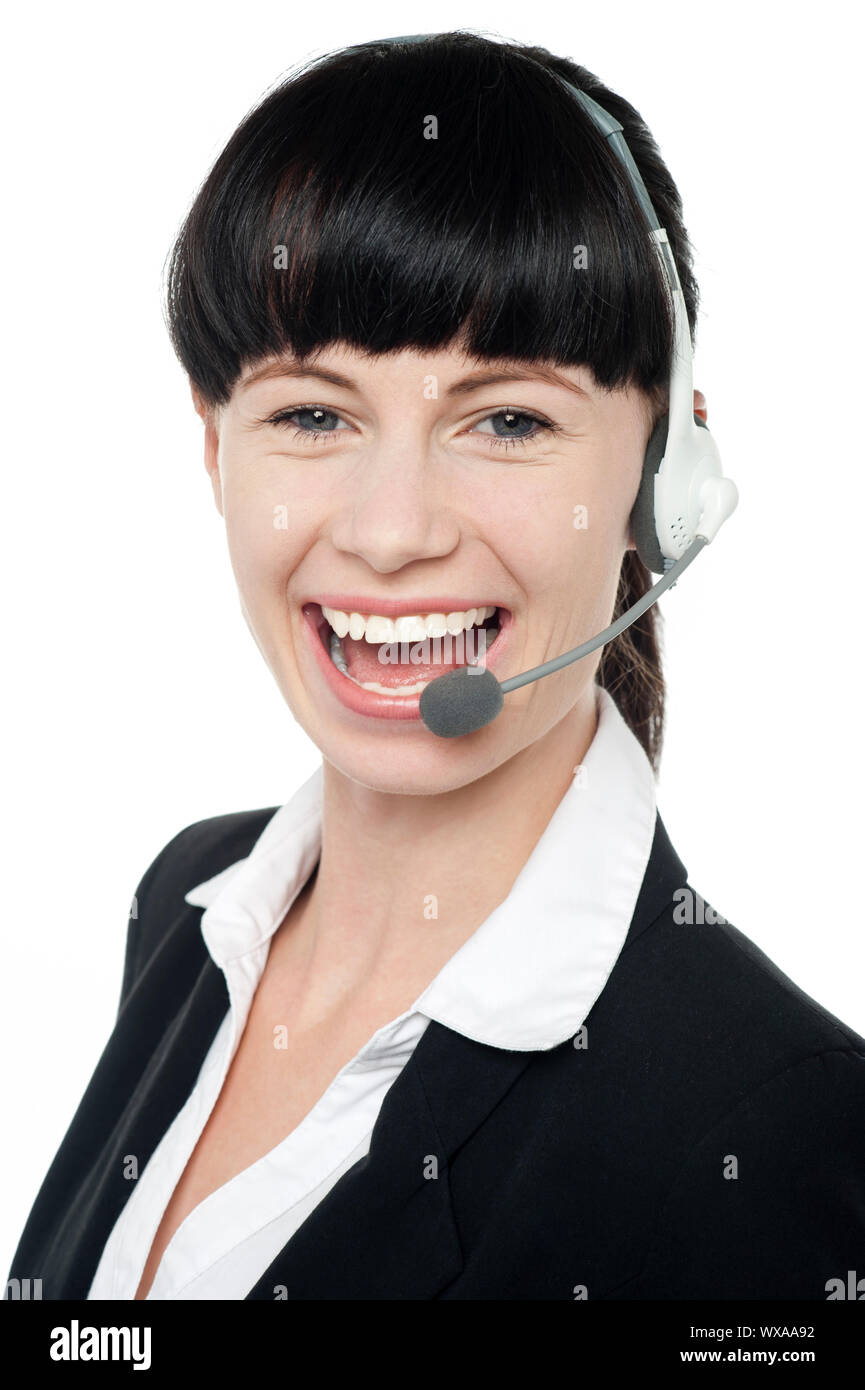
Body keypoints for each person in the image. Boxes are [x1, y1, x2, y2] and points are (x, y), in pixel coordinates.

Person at [7, 30, 865, 1302]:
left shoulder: (783, 1134)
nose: (390, 529)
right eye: (311, 414)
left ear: (661, 482)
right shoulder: (191, 907)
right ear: (214, 450)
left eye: (506, 418)